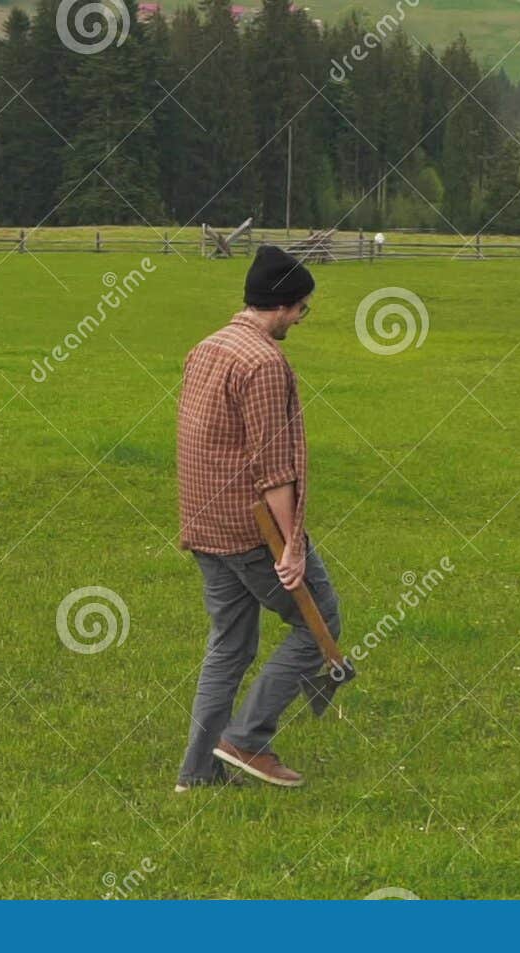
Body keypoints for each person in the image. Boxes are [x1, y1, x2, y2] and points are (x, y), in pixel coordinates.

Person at [173, 245, 341, 792]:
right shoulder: (265, 363)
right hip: (252, 532)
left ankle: (197, 774)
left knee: (230, 645)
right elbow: (273, 468)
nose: (299, 319)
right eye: (301, 309)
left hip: (204, 523)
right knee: (319, 627)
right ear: (283, 304)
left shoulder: (207, 346)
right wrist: (292, 545)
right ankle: (246, 739)